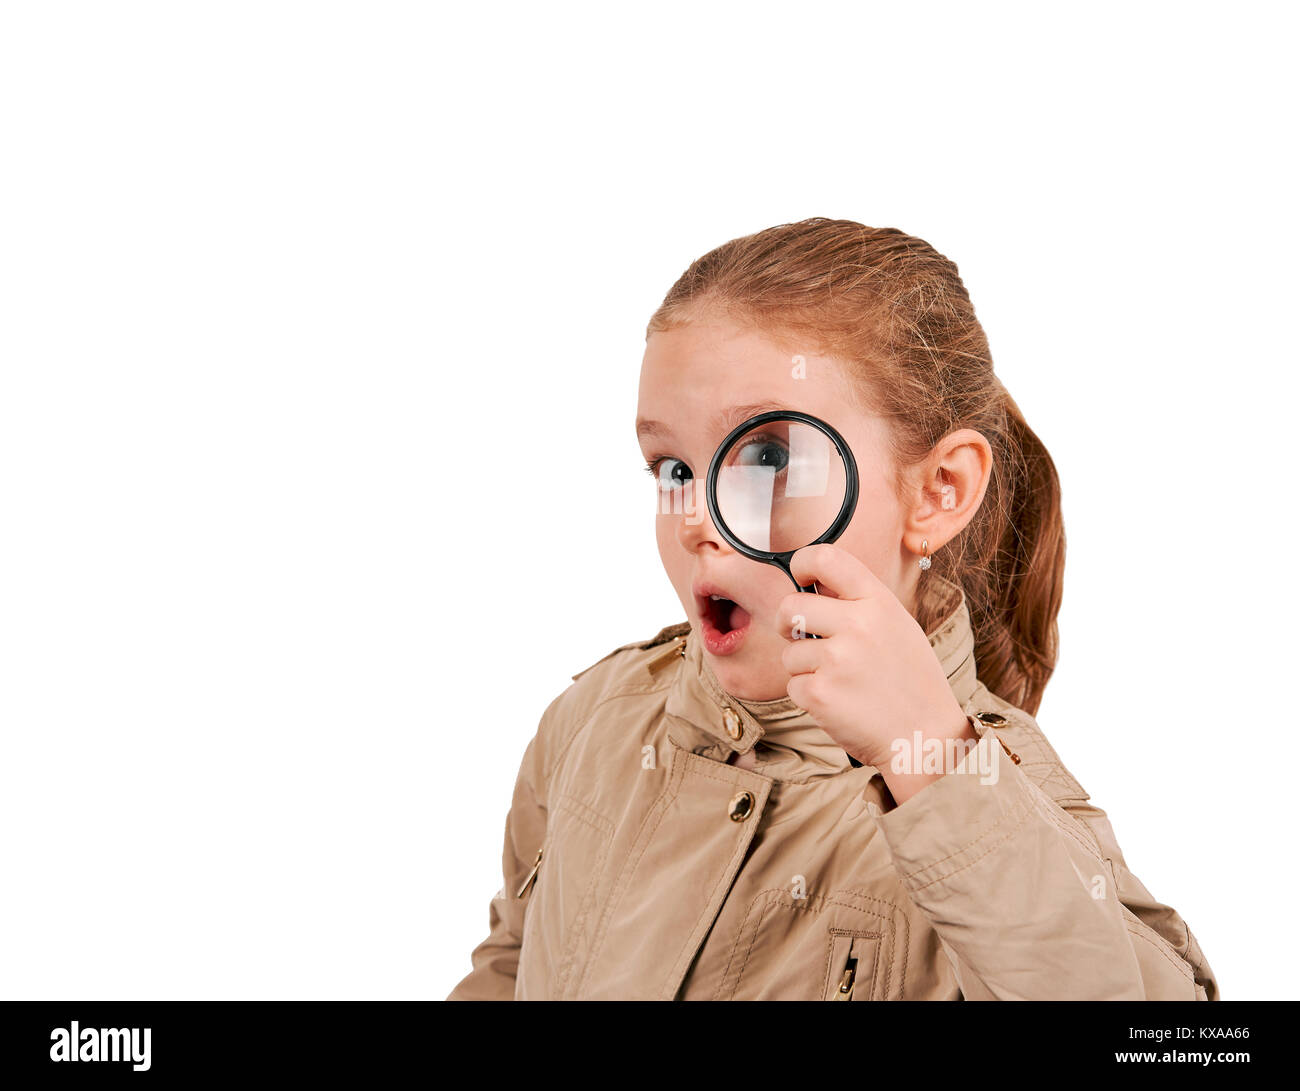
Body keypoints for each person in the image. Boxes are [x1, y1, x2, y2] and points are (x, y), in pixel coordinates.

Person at [446, 218, 1218, 1001]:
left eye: (769, 458)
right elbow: (509, 960)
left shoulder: (999, 795)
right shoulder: (594, 720)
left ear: (939, 491)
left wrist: (933, 761)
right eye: (674, 466)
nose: (697, 521)